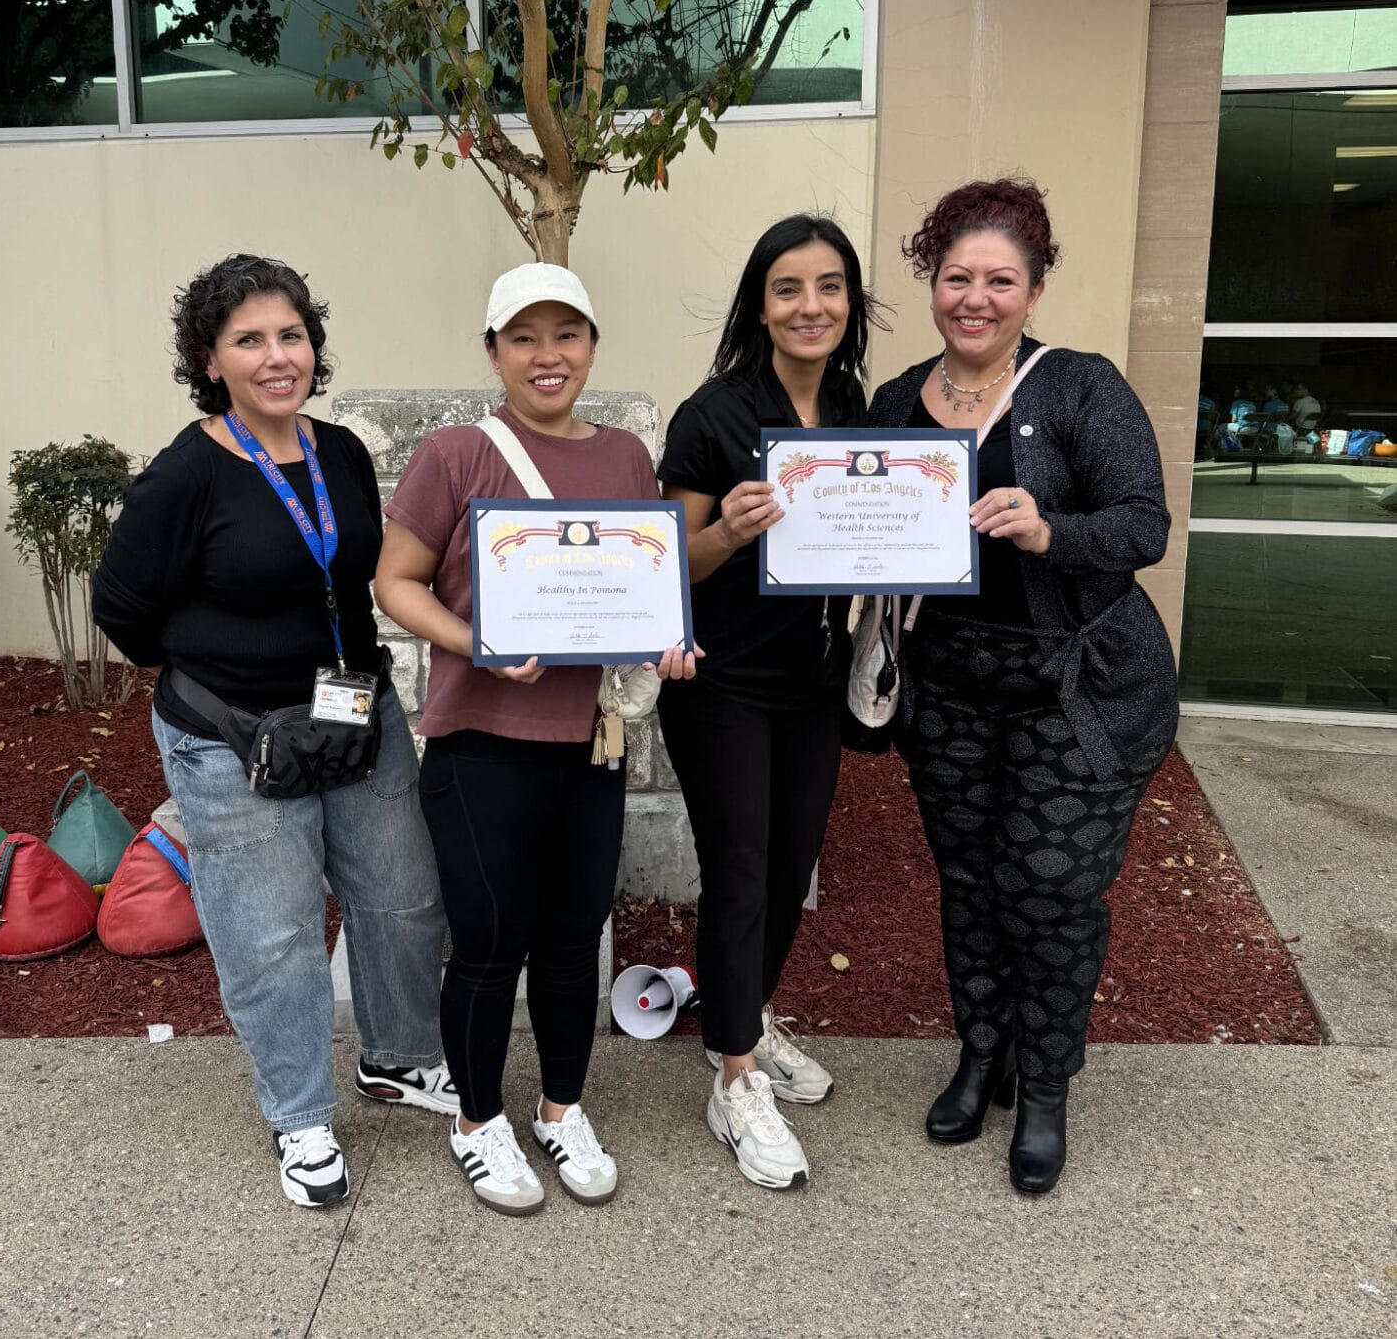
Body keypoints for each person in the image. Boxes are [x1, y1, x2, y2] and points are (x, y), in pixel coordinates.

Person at [93, 254, 451, 1209]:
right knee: (275, 933)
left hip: (352, 712)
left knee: (404, 898)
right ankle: (300, 1113)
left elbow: (352, 574)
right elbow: (122, 610)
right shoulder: (185, 475)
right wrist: (220, 667)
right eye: (248, 340)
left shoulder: (339, 452)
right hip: (234, 735)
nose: (276, 356)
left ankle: (400, 1059)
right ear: (210, 361)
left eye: (291, 335)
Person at [868, 179, 1178, 1196]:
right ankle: (983, 1052)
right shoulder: (894, 401)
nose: (976, 298)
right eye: (957, 277)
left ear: (1034, 291)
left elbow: (1143, 523)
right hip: (951, 689)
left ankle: (1044, 1084)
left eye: (1000, 281)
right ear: (932, 283)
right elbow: (864, 528)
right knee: (968, 880)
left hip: (1073, 687)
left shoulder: (1080, 388)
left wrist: (1052, 531)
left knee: (1048, 884)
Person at [375, 262, 695, 1216]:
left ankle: (562, 1109)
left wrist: (667, 638)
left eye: (566, 334)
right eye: (523, 337)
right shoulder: (456, 454)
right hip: (483, 738)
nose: (547, 356)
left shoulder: (626, 460)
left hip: (591, 742)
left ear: (591, 346)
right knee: (487, 943)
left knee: (570, 939)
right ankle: (478, 1122)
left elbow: (638, 588)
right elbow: (395, 582)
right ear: (493, 352)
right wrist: (476, 641)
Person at [655, 214, 875, 1191]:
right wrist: (730, 534)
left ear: (850, 303)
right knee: (741, 869)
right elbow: (671, 563)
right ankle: (734, 1076)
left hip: (815, 680)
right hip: (724, 684)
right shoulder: (712, 415)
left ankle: (743, 1017)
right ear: (759, 305)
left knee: (789, 867)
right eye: (788, 288)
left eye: (829, 286)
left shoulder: (858, 408)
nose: (810, 305)